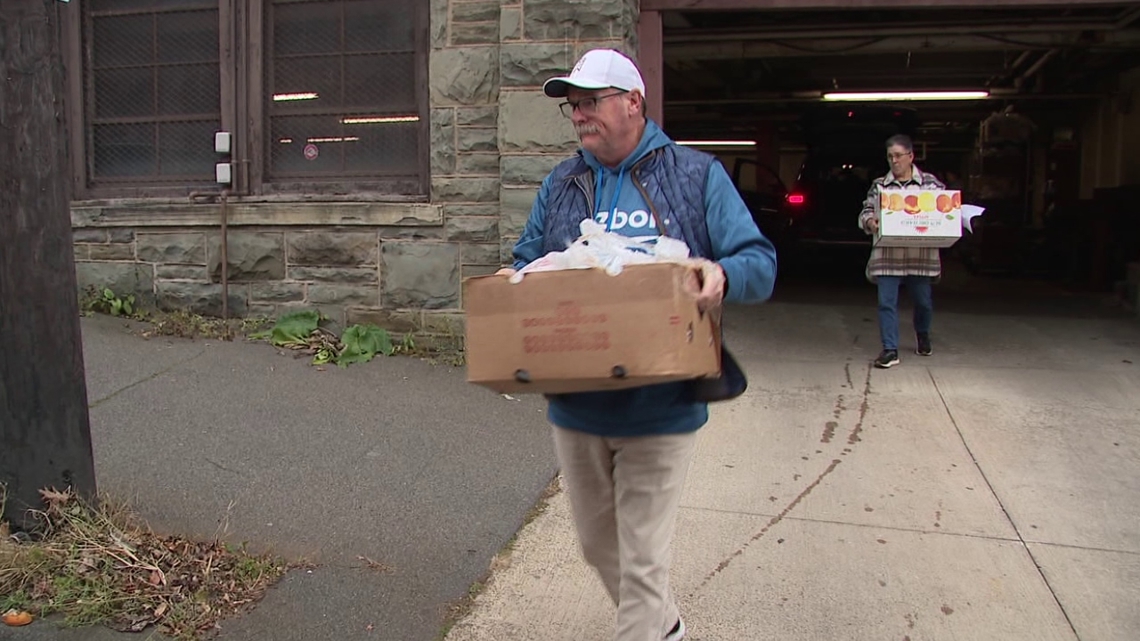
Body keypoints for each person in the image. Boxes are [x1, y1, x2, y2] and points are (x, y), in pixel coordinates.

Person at [496, 49, 777, 641]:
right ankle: (667, 628)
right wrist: (510, 286)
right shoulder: (563, 183)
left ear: (633, 102)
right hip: (577, 403)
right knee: (602, 549)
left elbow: (760, 262)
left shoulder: (696, 175)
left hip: (663, 402)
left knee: (643, 563)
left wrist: (722, 275)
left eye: (590, 102)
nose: (578, 116)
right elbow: (527, 260)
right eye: (573, 107)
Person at [858, 134, 946, 369]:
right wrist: (870, 222)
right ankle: (890, 349)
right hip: (888, 255)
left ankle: (923, 334)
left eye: (898, 155)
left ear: (911, 156)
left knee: (923, 302)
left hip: (920, 256)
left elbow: (944, 211)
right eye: (890, 157)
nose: (894, 161)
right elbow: (865, 211)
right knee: (887, 303)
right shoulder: (880, 186)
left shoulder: (930, 184)